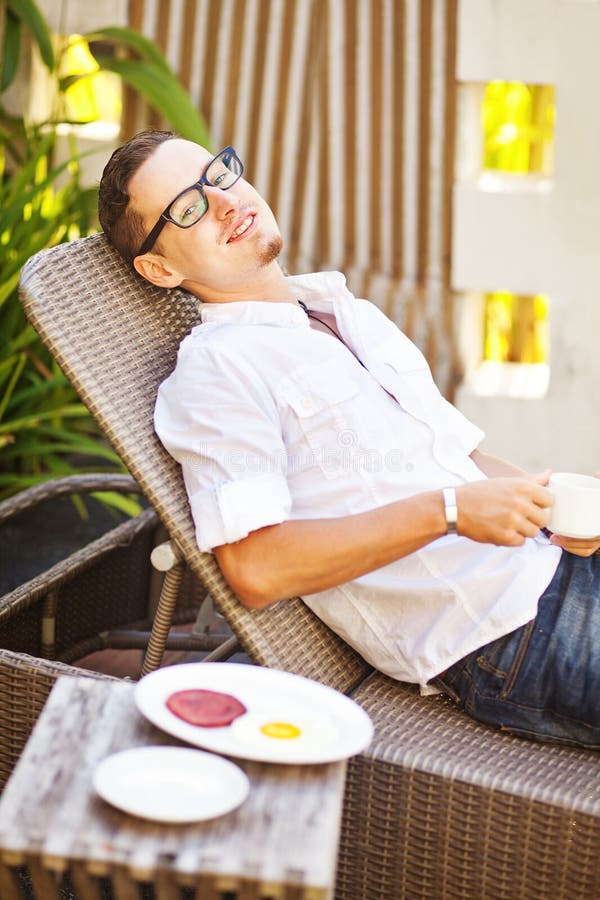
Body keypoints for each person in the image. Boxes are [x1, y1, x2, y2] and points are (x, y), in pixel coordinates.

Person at [98, 130, 600, 748]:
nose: (225, 202)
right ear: (160, 268)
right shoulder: (217, 370)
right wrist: (449, 512)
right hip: (508, 632)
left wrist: (558, 511)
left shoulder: (345, 311)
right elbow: (256, 568)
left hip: (553, 562)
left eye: (218, 175)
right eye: (189, 208)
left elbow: (459, 459)